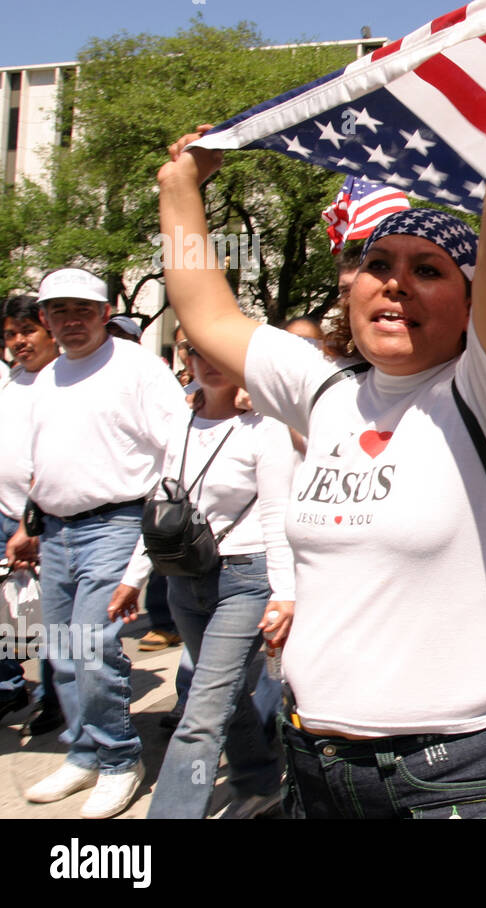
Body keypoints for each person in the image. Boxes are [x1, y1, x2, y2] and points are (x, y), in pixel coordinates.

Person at [154, 0, 486, 819]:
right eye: (376, 266)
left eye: (429, 270)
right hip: (314, 762)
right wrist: (179, 191)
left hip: (453, 775)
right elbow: (204, 312)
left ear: (468, 305)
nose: (395, 283)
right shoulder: (322, 390)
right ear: (346, 290)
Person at [11, 268, 187, 819]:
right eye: (59, 311)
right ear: (46, 318)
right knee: (60, 655)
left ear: (106, 311)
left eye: (83, 310)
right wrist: (30, 523)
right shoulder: (47, 378)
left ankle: (118, 759)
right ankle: (84, 750)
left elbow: (177, 447)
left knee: (90, 647)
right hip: (56, 532)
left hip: (115, 524)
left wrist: (146, 551)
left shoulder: (137, 368)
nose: (71, 320)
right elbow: (43, 464)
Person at [108, 335, 294, 819]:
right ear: (187, 360)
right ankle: (258, 781)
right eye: (198, 353)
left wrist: (285, 593)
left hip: (245, 577)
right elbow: (164, 508)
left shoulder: (264, 427)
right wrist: (132, 578)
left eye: (220, 353)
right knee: (224, 699)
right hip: (184, 577)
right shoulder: (181, 423)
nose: (210, 363)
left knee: (201, 713)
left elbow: (277, 515)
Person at [0, 296, 62, 733]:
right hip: (4, 514)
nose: (19, 342)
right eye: (10, 334)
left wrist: (31, 524)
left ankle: (54, 700)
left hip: (45, 522)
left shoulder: (63, 382)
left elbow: (57, 459)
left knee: (51, 620)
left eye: (27, 331)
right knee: (10, 614)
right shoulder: (11, 381)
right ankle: (9, 688)